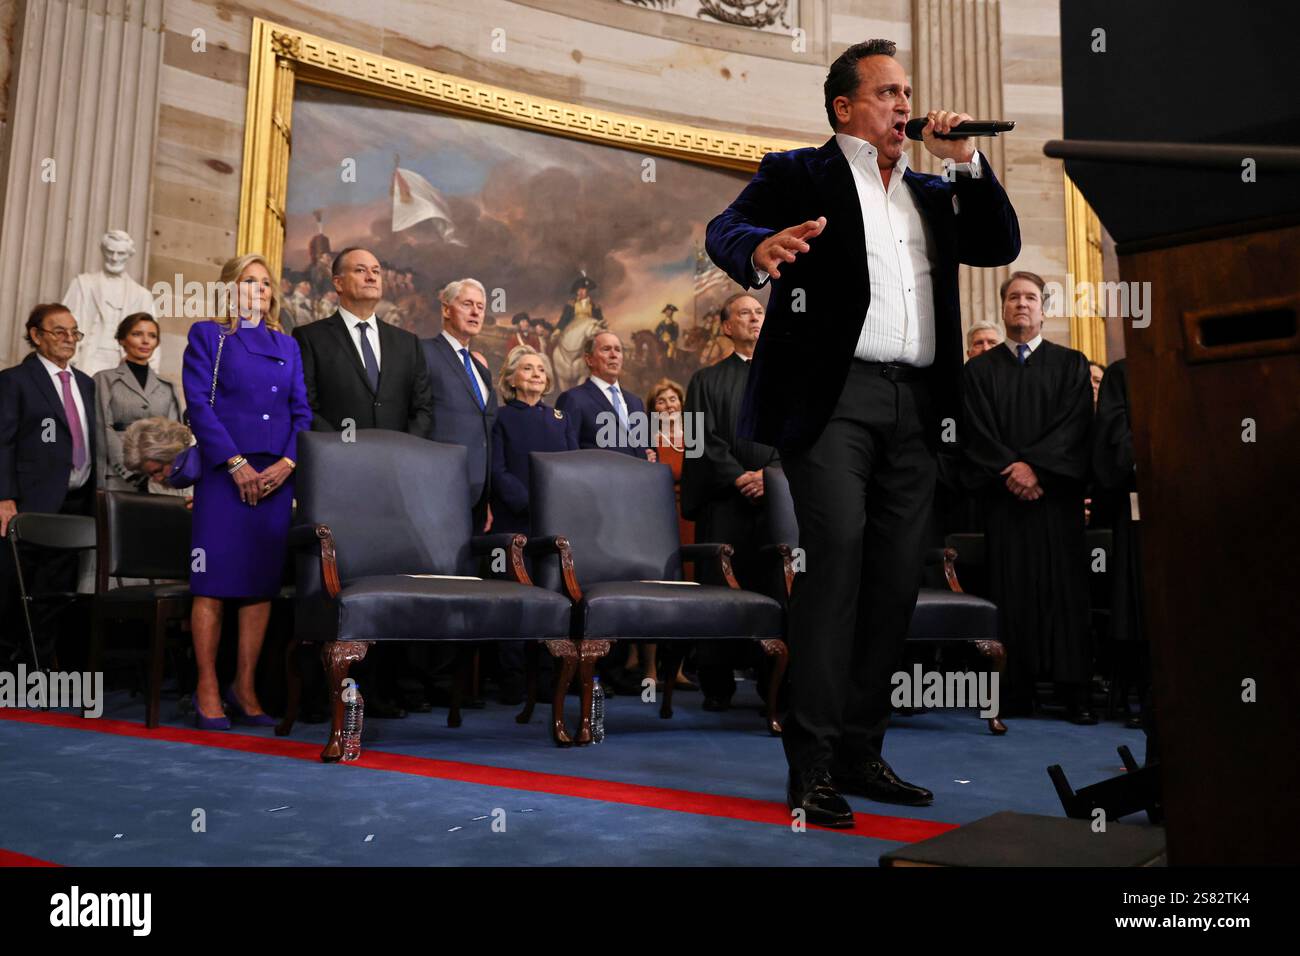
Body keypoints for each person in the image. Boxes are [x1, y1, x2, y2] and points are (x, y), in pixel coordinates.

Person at [705, 38, 1021, 826]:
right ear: (844, 107)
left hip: (918, 404)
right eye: (887, 93)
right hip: (832, 402)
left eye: (907, 93)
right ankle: (811, 765)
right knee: (837, 562)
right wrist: (758, 251)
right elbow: (724, 228)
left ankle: (860, 751)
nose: (904, 105)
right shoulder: (798, 173)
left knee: (892, 581)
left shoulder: (933, 190)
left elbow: (999, 244)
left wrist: (966, 162)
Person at [182, 253, 311, 731]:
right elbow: (198, 404)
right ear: (228, 289)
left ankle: (245, 686)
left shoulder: (287, 344)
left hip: (276, 475)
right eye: (247, 280)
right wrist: (234, 462)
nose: (257, 289)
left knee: (260, 584)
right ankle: (207, 686)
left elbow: (302, 411)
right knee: (212, 582)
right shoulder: (208, 335)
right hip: (223, 472)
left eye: (264, 282)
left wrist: (287, 463)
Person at [960, 270, 1095, 723]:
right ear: (1003, 307)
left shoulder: (1071, 364)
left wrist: (1036, 469)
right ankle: (1015, 691)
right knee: (1011, 593)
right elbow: (976, 430)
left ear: (1044, 309)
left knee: (1065, 594)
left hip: (1056, 501)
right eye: (1014, 297)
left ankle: (1073, 693)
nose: (1022, 303)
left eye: (1031, 298)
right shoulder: (979, 371)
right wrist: (1013, 470)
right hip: (1004, 503)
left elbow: (1076, 426)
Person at [680, 292, 780, 709]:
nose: (755, 318)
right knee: (720, 592)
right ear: (726, 327)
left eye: (759, 312)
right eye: (744, 313)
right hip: (724, 504)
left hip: (777, 505)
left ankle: (775, 685)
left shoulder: (788, 378)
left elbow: (803, 435)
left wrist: (771, 475)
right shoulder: (706, 380)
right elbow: (699, 439)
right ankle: (717, 685)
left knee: (775, 589)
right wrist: (739, 476)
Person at [0, 304, 97, 664]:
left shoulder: (86, 383)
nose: (69, 338)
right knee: (16, 592)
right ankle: (10, 669)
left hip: (76, 505)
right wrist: (4, 498)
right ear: (36, 335)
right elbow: (3, 442)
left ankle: (41, 669)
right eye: (59, 331)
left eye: (74, 331)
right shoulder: (15, 381)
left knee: (55, 595)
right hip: (28, 505)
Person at [489, 345, 578, 704]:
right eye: (527, 368)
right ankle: (511, 679)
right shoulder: (500, 417)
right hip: (515, 521)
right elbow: (497, 470)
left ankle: (546, 679)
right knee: (514, 600)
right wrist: (528, 501)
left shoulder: (560, 418)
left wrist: (556, 504)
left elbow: (571, 467)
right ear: (510, 378)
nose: (537, 374)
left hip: (554, 523)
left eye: (541, 368)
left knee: (551, 600)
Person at [294, 247, 433, 436]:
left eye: (376, 271)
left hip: (398, 452)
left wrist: (404, 446)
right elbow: (306, 405)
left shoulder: (408, 343)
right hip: (337, 450)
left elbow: (423, 409)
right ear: (338, 283)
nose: (371, 277)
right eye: (360, 270)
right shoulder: (310, 338)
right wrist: (340, 445)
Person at [1090, 357, 1151, 737]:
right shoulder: (1123, 373)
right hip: (1140, 502)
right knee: (1142, 605)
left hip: (1196, 499)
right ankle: (1146, 698)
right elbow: (1113, 435)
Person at [420, 278, 497, 531]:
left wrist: (487, 496)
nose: (476, 312)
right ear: (446, 309)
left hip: (478, 495)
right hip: (436, 485)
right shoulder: (423, 352)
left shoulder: (480, 369)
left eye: (480, 307)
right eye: (467, 304)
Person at [94, 313, 181, 492]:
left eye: (152, 336)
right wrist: (129, 469)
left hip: (160, 479)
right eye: (137, 334)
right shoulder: (104, 379)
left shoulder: (167, 386)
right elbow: (102, 428)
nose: (145, 341)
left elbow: (174, 435)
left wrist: (161, 470)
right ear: (122, 340)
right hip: (118, 475)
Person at [65, 231, 160, 378]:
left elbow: (152, 334)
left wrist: (152, 372)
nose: (115, 258)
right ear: (103, 251)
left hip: (123, 359)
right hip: (88, 356)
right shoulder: (83, 284)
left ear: (129, 255)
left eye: (121, 253)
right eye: (110, 252)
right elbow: (66, 324)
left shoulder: (142, 295)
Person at [556, 330, 656, 462]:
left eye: (618, 350)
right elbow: (567, 455)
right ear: (589, 360)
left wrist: (649, 457)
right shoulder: (573, 399)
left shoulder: (635, 402)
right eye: (606, 349)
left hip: (638, 475)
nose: (614, 355)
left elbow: (648, 449)